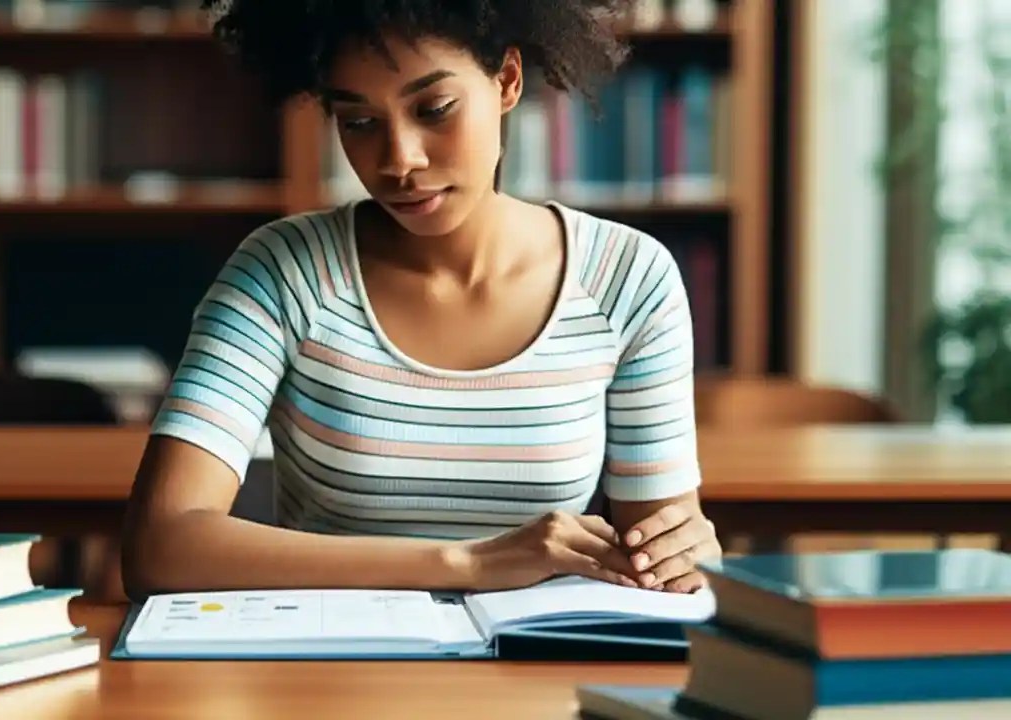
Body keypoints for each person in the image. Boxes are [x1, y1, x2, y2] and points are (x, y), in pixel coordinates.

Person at [121, 0, 721, 601]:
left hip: (535, 677)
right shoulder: (282, 273)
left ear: (507, 80)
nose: (399, 160)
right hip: (326, 675)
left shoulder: (627, 278)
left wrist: (684, 554)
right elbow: (160, 547)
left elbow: (662, 557)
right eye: (358, 122)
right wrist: (467, 563)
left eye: (434, 109)